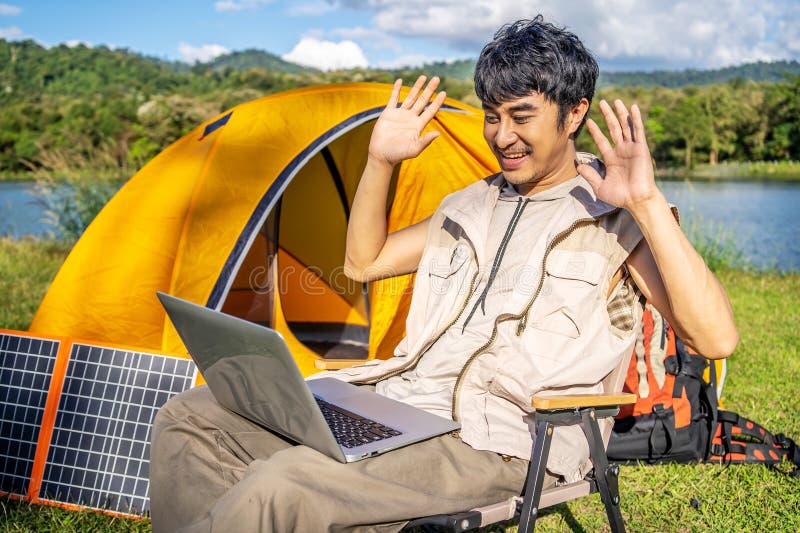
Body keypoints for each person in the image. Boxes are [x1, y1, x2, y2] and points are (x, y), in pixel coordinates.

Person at [150, 16, 737, 532]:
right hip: (398, 405)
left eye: (522, 116)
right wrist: (380, 160)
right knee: (192, 418)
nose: (502, 136)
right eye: (492, 116)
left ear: (574, 113)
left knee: (284, 485)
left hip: (498, 443)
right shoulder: (468, 205)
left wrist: (648, 205)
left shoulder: (617, 219)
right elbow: (364, 262)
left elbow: (716, 340)